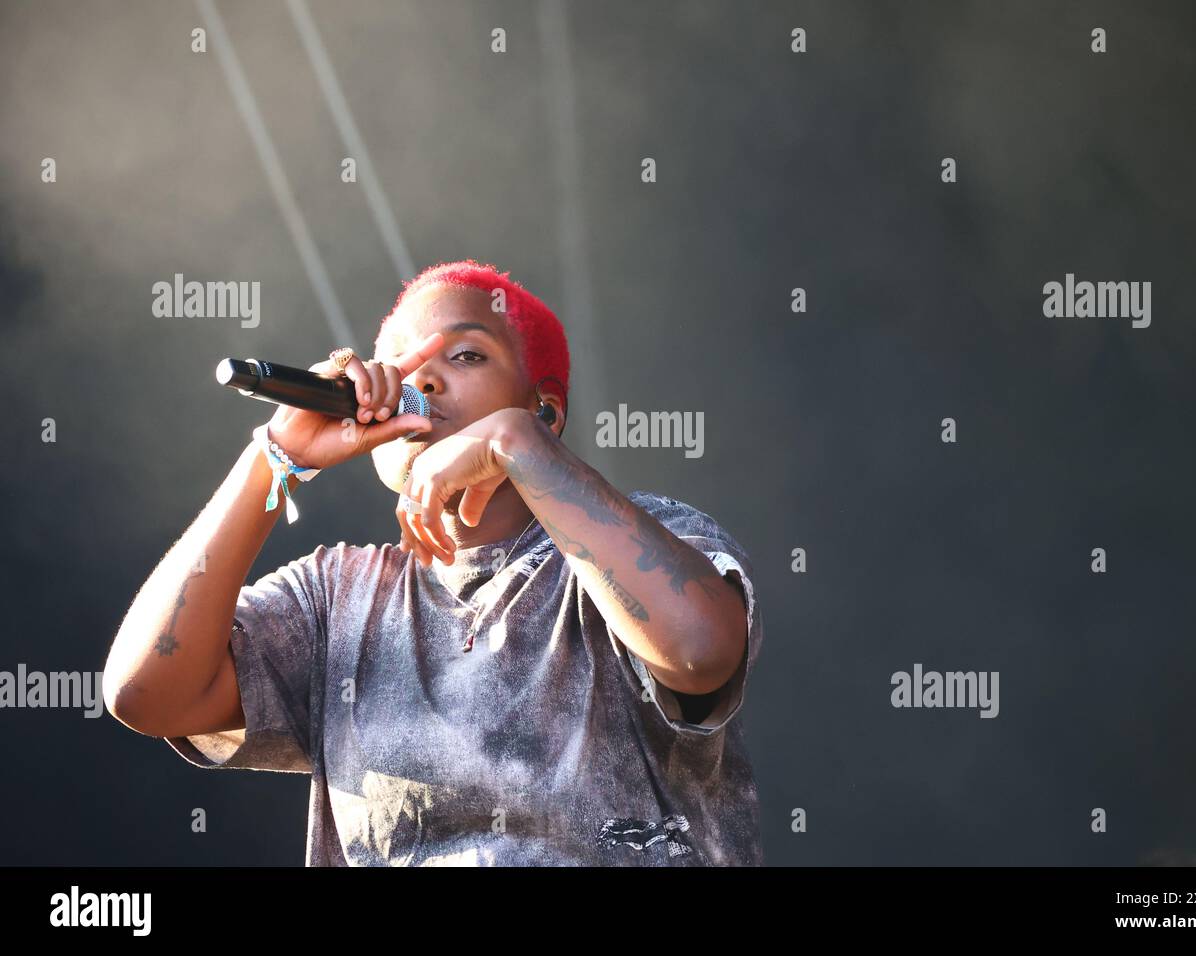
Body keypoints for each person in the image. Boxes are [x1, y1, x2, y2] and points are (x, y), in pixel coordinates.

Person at [104, 259, 764, 865]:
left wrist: (513, 442)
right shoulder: (336, 596)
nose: (418, 379)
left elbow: (701, 649)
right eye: (394, 366)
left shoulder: (640, 537)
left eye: (467, 354)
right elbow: (148, 695)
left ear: (546, 410)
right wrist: (270, 460)